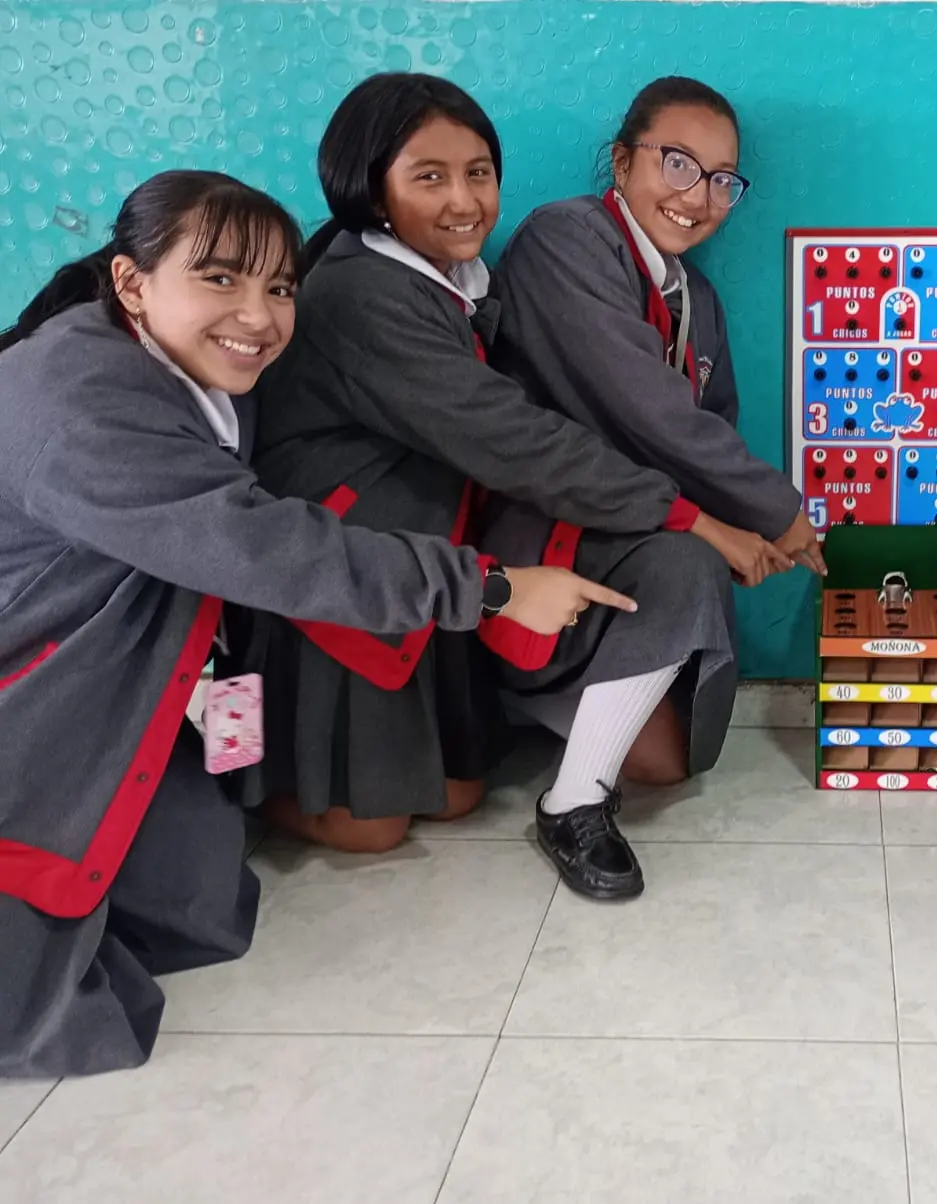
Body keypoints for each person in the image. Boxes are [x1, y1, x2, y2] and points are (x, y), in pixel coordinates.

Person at [0, 170, 628, 1078]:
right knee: (52, 980)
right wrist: (494, 588)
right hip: (42, 677)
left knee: (201, 904)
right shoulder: (82, 408)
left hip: (171, 659)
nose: (257, 316)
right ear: (131, 282)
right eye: (220, 279)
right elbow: (269, 548)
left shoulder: (189, 365)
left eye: (280, 287)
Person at [234, 74, 760, 892]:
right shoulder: (370, 290)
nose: (464, 200)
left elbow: (690, 423)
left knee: (461, 797)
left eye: (478, 173)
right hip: (352, 581)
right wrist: (705, 518)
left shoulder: (463, 283)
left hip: (447, 565)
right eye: (430, 176)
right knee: (371, 830)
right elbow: (519, 440)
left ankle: (532, 735)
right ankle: (223, 780)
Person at [484, 74, 823, 782]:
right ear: (621, 162)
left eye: (722, 180)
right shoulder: (565, 240)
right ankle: (573, 800)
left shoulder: (698, 299)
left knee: (669, 759)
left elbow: (710, 429)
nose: (697, 197)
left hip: (642, 533)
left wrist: (748, 531)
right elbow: (651, 412)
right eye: (677, 164)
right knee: (691, 561)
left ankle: (549, 710)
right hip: (547, 534)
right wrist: (778, 511)